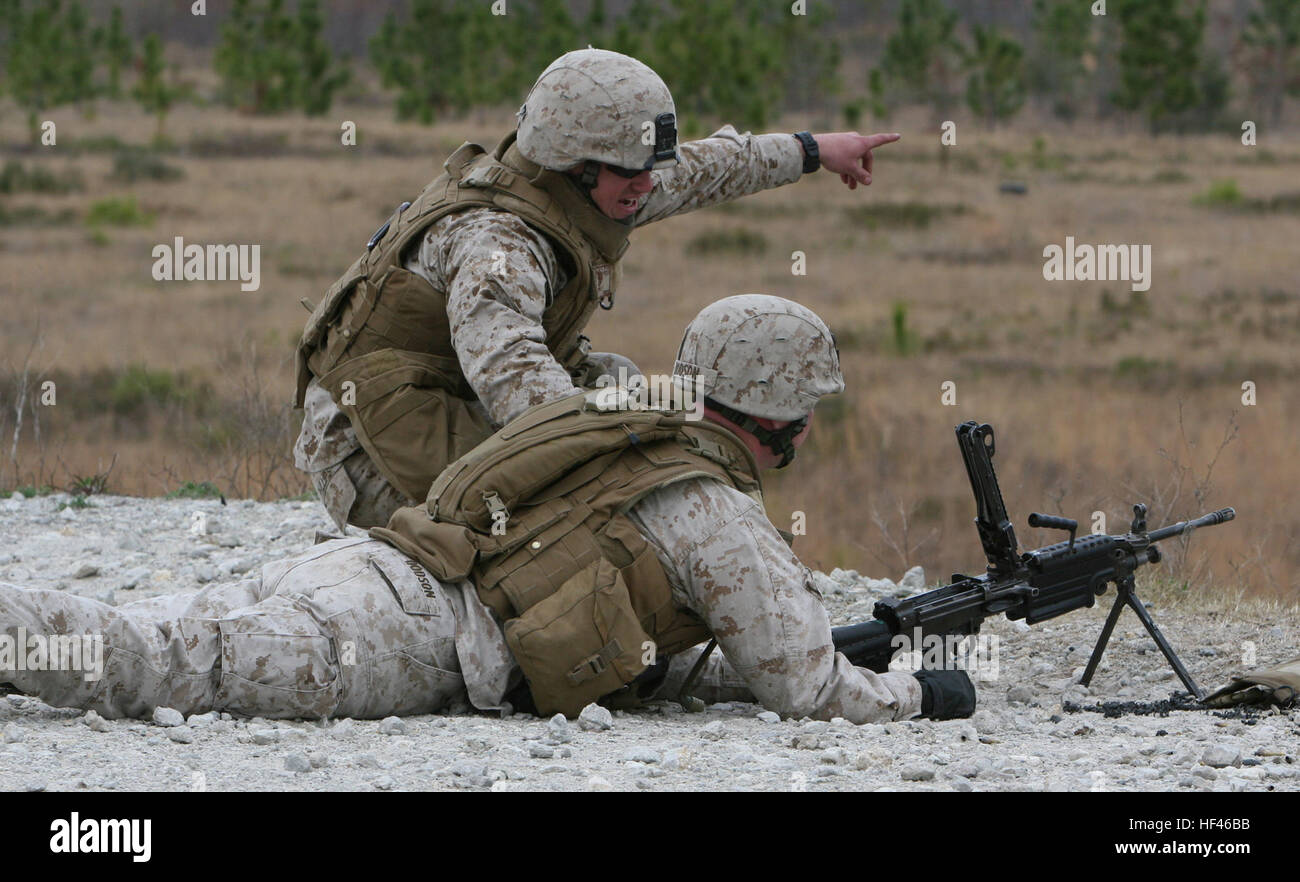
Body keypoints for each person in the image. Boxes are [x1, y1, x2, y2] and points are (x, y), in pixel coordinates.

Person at [1, 296, 973, 724]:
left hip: (371, 574)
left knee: (158, 637)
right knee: (156, 665)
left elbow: (647, 628)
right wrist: (919, 696)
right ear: (784, 415)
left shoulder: (622, 416)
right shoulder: (710, 505)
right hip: (393, 634)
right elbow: (805, 693)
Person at [293, 47, 903, 534]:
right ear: (574, 162)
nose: (645, 185)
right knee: (562, 515)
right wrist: (602, 471)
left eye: (647, 167)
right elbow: (513, 375)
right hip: (368, 444)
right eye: (629, 170)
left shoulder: (594, 186)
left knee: (631, 395)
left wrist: (814, 150)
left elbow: (707, 168)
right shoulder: (498, 245)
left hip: (445, 395)